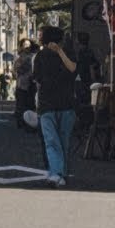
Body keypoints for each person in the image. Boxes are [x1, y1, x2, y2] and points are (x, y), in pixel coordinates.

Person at [34, 26, 78, 187]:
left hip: (50, 104)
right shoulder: (43, 55)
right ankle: (58, 173)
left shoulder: (46, 55)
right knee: (58, 140)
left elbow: (73, 68)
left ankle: (59, 173)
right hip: (63, 104)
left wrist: (60, 52)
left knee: (55, 141)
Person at [13, 38, 37, 128]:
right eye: (25, 44)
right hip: (22, 83)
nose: (27, 46)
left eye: (29, 44)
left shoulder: (34, 55)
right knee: (21, 104)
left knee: (31, 103)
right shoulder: (19, 57)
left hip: (32, 83)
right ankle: (21, 122)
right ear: (21, 46)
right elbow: (16, 70)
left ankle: (30, 123)